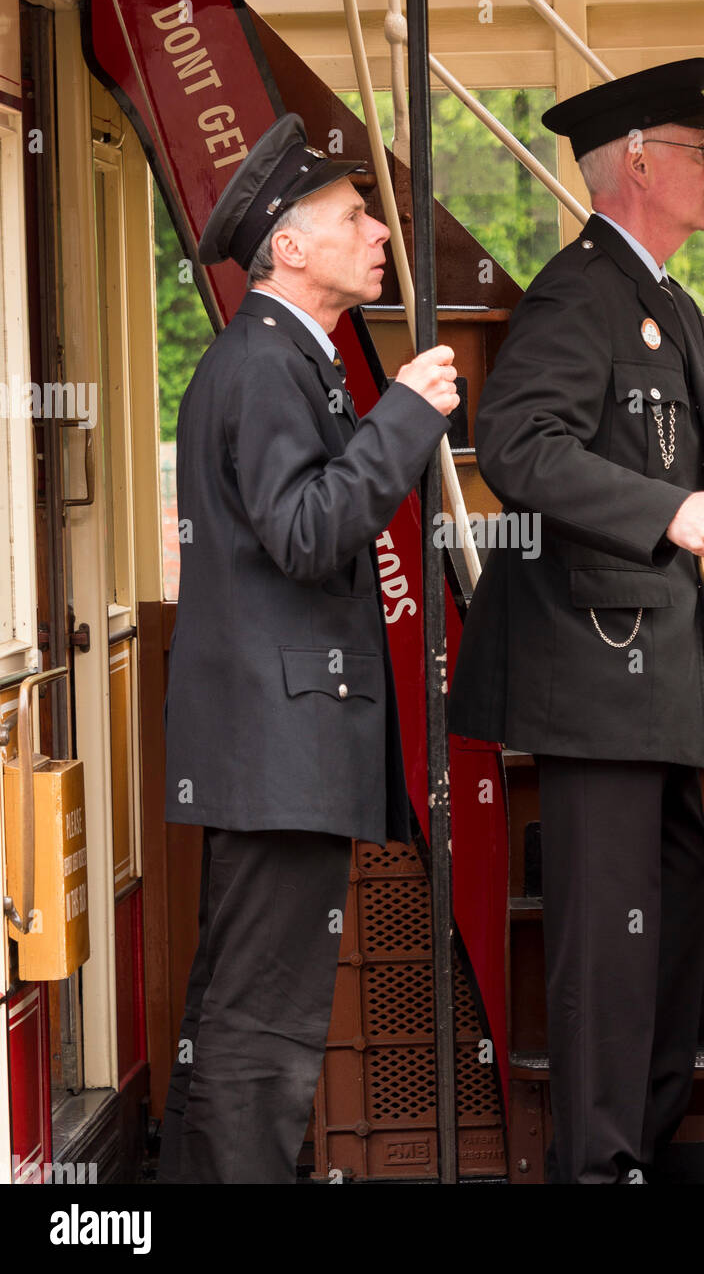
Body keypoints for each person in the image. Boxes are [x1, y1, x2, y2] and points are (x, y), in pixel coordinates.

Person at [448, 58, 704, 1185]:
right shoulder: (579, 294)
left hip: (652, 691)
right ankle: (599, 1167)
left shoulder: (664, 302)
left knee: (670, 930)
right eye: (700, 148)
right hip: (594, 683)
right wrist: (666, 507)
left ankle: (641, 1145)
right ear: (640, 161)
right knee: (609, 952)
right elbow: (518, 446)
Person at [156, 113, 459, 1184]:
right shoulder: (269, 366)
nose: (378, 231)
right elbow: (302, 532)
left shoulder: (282, 356)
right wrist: (408, 416)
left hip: (272, 748)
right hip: (275, 752)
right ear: (290, 246)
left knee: (233, 1012)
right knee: (265, 1031)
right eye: (352, 216)